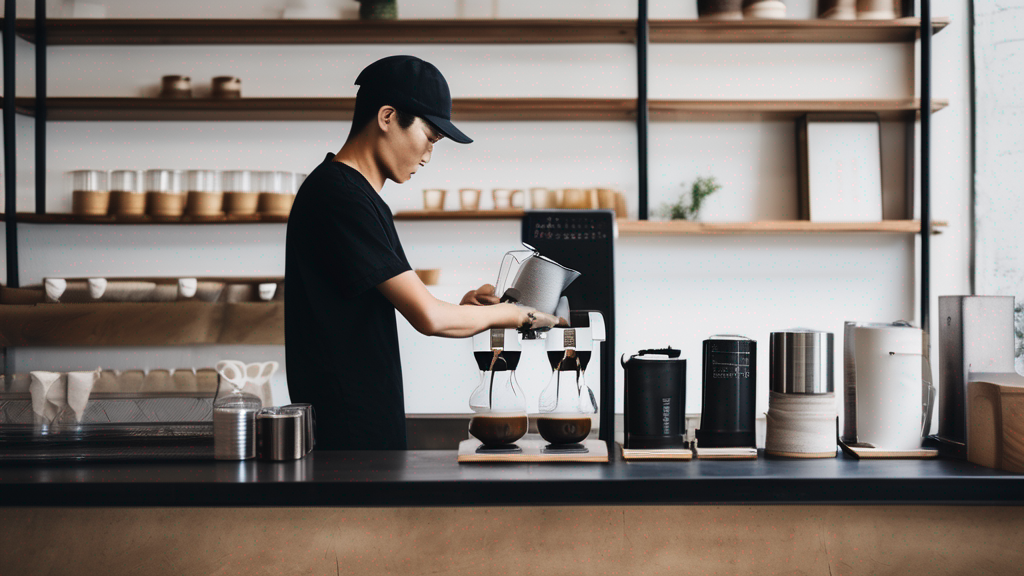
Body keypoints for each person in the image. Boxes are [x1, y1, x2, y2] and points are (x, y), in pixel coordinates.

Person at [285, 55, 562, 451]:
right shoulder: (339, 196)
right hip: (347, 433)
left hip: (357, 422)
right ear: (386, 116)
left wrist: (471, 309)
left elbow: (421, 307)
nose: (429, 156)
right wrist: (520, 315)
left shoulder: (356, 196)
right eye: (429, 138)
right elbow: (429, 318)